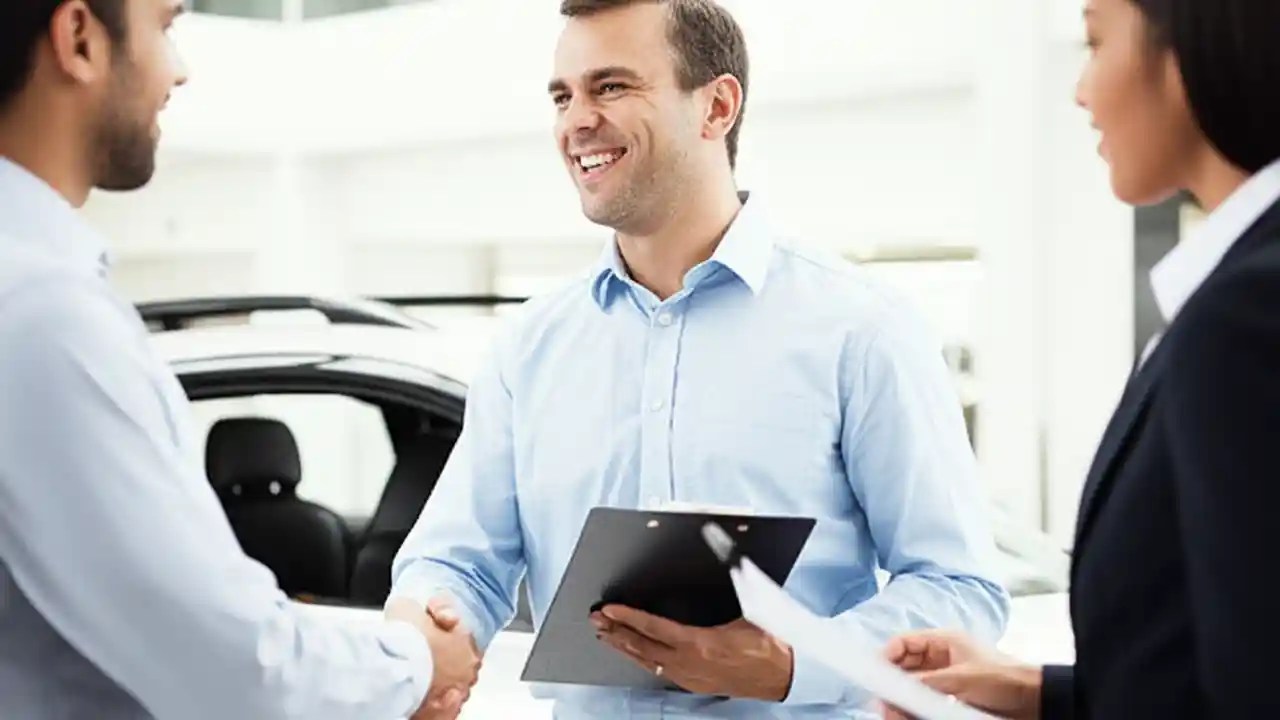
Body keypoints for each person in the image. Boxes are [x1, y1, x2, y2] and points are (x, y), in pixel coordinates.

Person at [388, 0, 1010, 718]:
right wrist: (425, 635)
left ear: (717, 106)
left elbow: (960, 589)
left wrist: (794, 664)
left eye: (611, 86)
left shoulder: (861, 329)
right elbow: (457, 564)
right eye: (563, 96)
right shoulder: (528, 346)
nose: (577, 121)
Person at [0, 1, 479, 718]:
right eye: (165, 27)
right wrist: (417, 660)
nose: (180, 71)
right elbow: (235, 668)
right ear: (79, 39)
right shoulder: (46, 315)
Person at [881, 0, 1280, 718]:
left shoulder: (1245, 316)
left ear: (1185, 48)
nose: (1080, 90)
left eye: (1095, 42)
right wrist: (1037, 691)